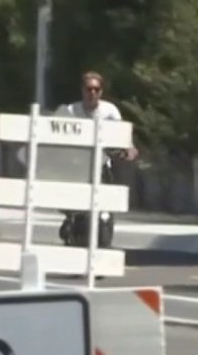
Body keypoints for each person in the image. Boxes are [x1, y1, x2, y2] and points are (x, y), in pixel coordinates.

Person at [56, 71, 137, 248]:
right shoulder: (70, 111)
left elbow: (122, 134)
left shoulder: (109, 111)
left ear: (101, 92)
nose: (92, 92)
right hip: (76, 168)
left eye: (96, 89)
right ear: (82, 90)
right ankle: (70, 220)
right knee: (72, 200)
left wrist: (128, 148)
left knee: (106, 203)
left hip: (101, 165)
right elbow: (55, 136)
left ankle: (104, 237)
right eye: (88, 89)